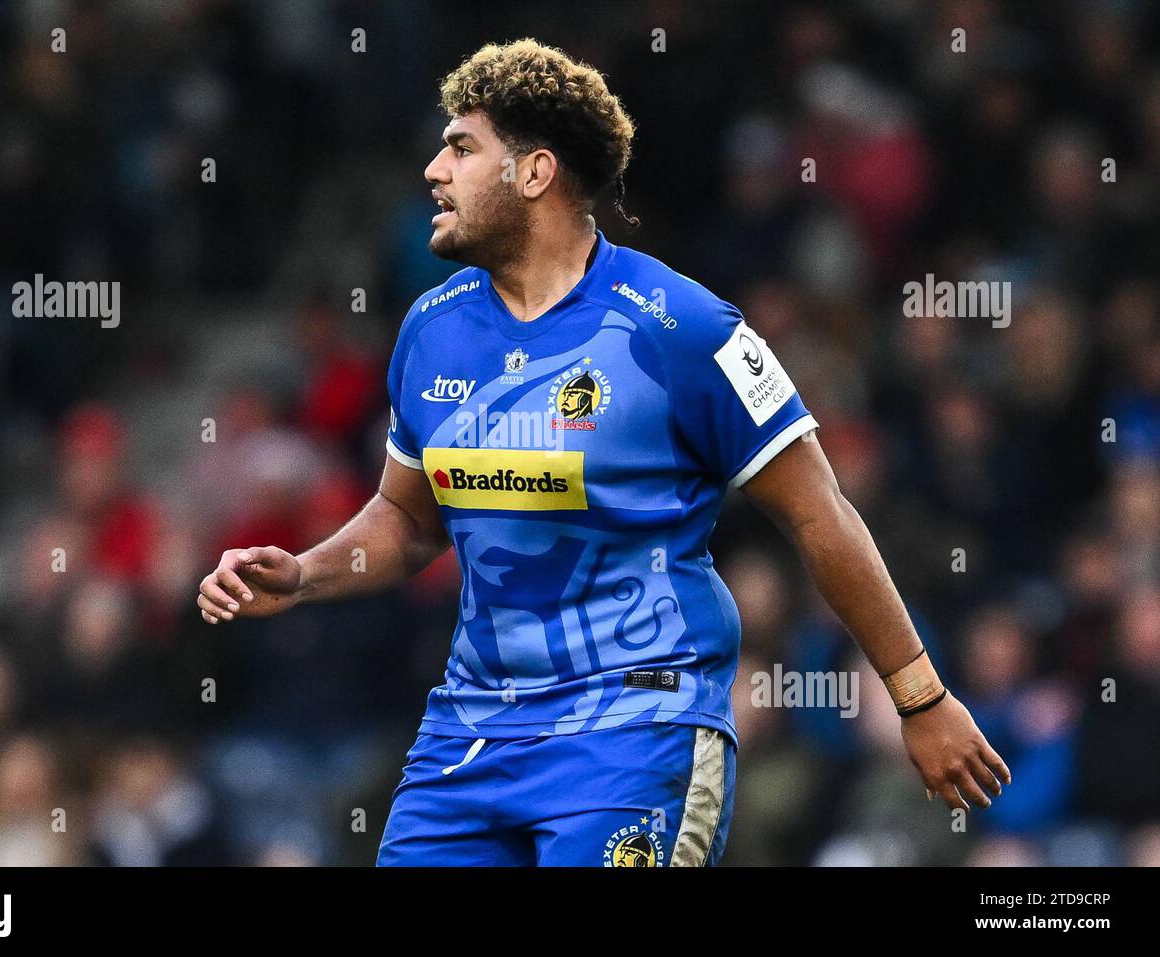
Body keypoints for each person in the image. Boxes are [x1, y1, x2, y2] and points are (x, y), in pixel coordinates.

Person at [198, 39, 1010, 866]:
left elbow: (818, 513)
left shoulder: (683, 330)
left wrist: (921, 696)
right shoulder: (430, 330)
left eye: (461, 147)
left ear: (536, 172)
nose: (433, 171)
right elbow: (407, 523)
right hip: (473, 730)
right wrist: (304, 574)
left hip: (638, 728)